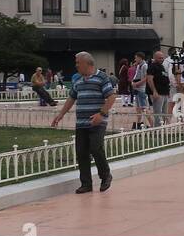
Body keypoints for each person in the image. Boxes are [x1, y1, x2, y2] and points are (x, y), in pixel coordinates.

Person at [51, 52, 116, 194]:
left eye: (78, 63)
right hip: (81, 123)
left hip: (97, 122)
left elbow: (111, 97)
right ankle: (86, 183)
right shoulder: (78, 80)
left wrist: (101, 114)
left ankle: (105, 176)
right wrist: (60, 114)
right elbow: (71, 98)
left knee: (96, 148)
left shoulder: (101, 78)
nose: (76, 65)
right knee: (81, 152)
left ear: (88, 64)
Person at [147, 51, 172, 127]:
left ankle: (162, 128)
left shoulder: (162, 66)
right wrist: (154, 91)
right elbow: (149, 79)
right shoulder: (152, 66)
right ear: (155, 58)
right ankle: (157, 129)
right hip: (158, 92)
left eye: (162, 58)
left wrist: (168, 92)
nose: (162, 59)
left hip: (164, 92)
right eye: (160, 58)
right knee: (158, 112)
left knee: (164, 112)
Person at [128, 51, 150, 129]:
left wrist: (137, 84)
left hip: (141, 89)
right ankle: (138, 123)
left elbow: (146, 78)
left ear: (140, 58)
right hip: (137, 89)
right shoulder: (138, 66)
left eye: (136, 57)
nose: (135, 59)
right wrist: (133, 83)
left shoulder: (144, 66)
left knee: (144, 108)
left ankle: (151, 124)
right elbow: (136, 76)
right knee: (138, 108)